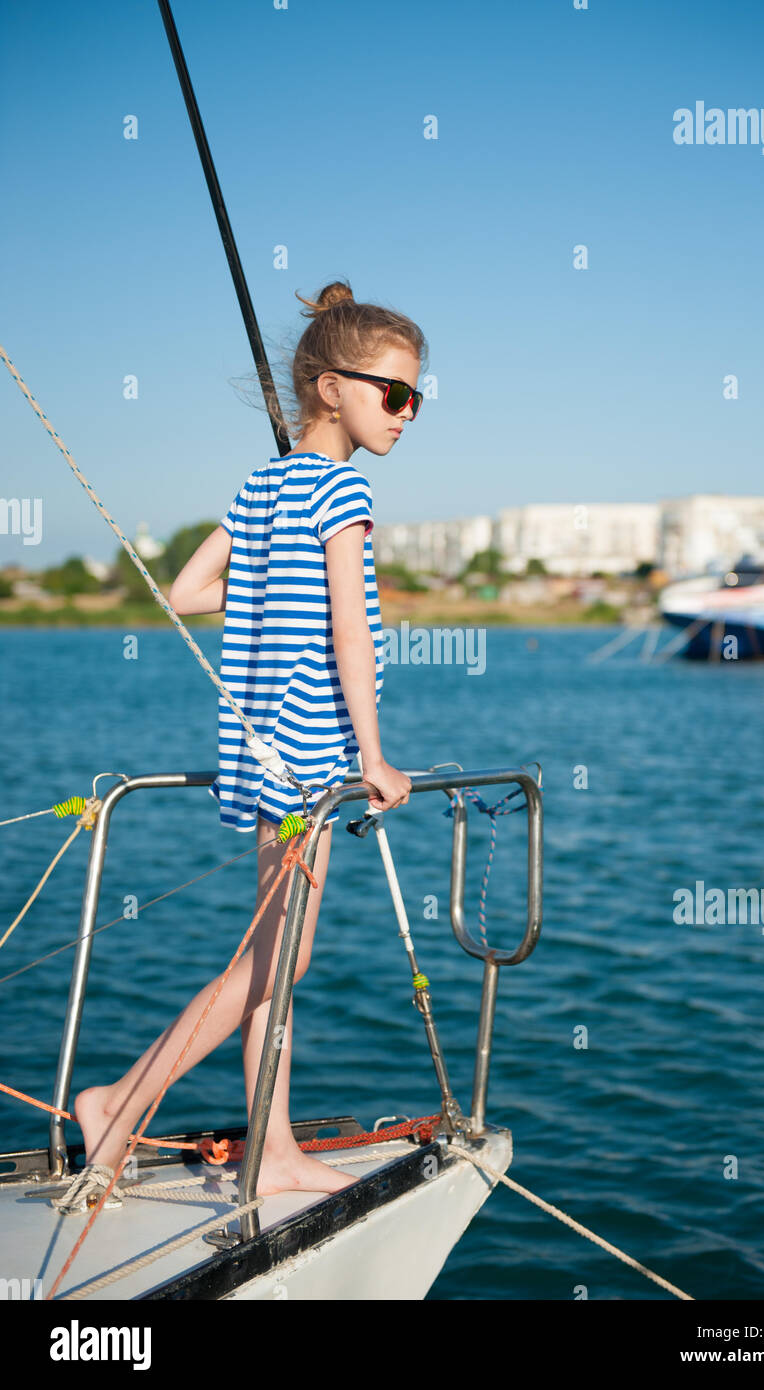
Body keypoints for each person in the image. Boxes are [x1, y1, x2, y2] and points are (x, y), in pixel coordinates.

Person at [66, 281, 426, 1209]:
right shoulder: (342, 489)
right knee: (277, 961)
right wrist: (376, 758)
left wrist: (269, 599)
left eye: (415, 398)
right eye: (392, 393)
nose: (406, 414)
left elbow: (183, 593)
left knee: (272, 960)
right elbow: (352, 634)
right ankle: (119, 1101)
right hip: (309, 761)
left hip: (258, 754)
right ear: (328, 387)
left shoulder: (261, 483)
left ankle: (269, 1149)